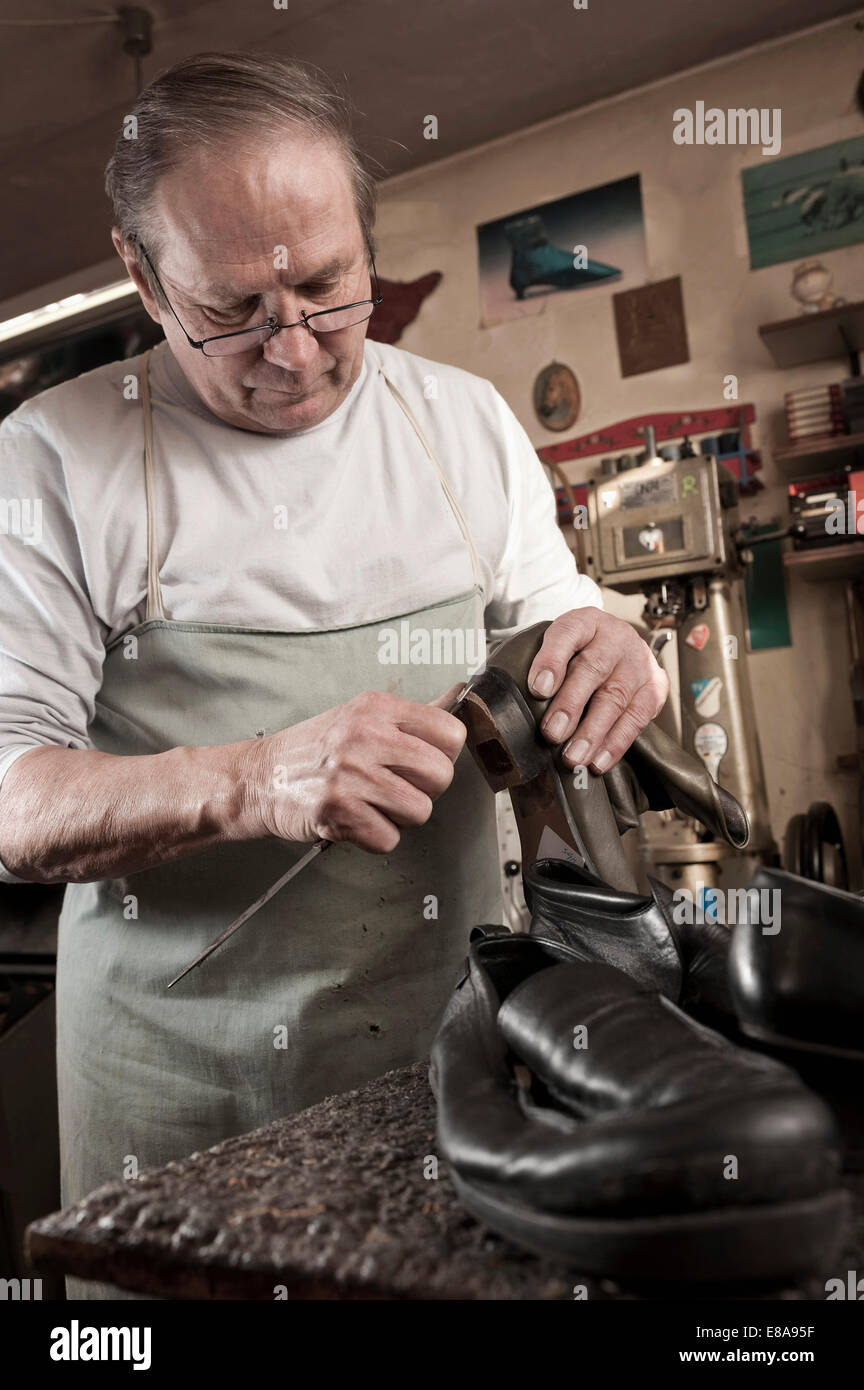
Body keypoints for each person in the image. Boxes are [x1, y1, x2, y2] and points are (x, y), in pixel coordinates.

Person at [0, 54, 667, 1298]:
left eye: (326, 286)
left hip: (448, 1047)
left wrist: (610, 650)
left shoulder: (460, 422)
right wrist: (252, 779)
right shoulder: (53, 458)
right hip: (172, 1074)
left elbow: (561, 617)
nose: (294, 350)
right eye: (234, 311)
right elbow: (12, 803)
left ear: (365, 240)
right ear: (143, 277)